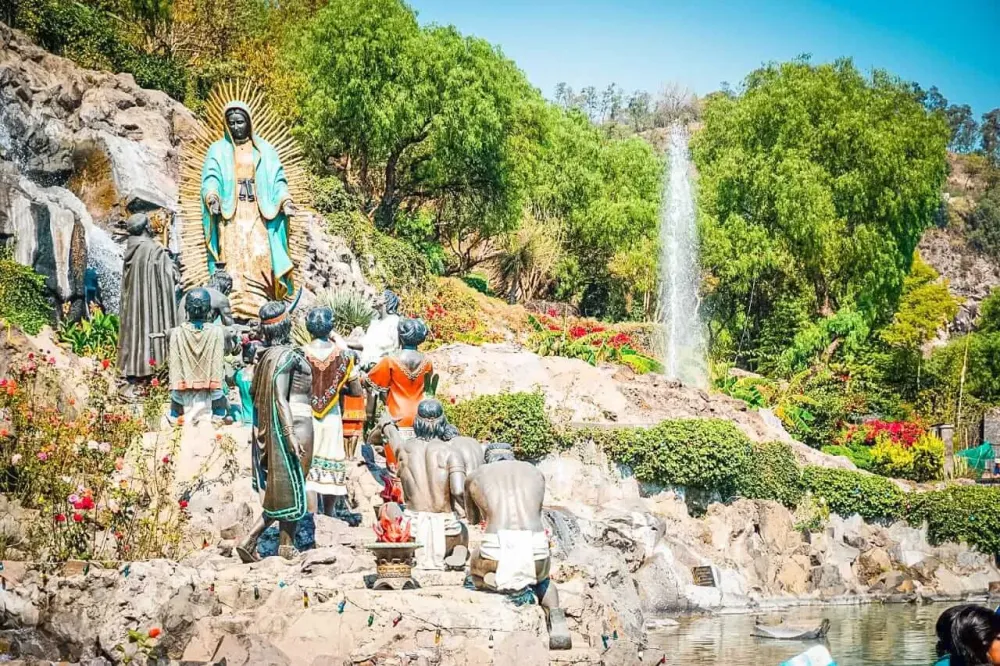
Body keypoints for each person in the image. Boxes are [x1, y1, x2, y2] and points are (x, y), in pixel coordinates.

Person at [201, 102, 297, 320]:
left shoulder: (264, 150)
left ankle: (262, 304)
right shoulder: (218, 150)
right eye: (232, 123)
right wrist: (213, 197)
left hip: (258, 212)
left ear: (249, 123)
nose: (236, 127)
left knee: (260, 255)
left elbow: (278, 180)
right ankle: (231, 306)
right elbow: (210, 178)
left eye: (240, 122)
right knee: (233, 260)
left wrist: (285, 201)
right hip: (231, 217)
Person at [117, 213, 178, 380]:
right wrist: (172, 265)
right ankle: (153, 371)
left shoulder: (132, 249)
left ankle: (132, 371)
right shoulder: (154, 249)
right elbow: (170, 277)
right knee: (151, 331)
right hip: (152, 308)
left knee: (136, 331)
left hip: (135, 304)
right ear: (146, 227)